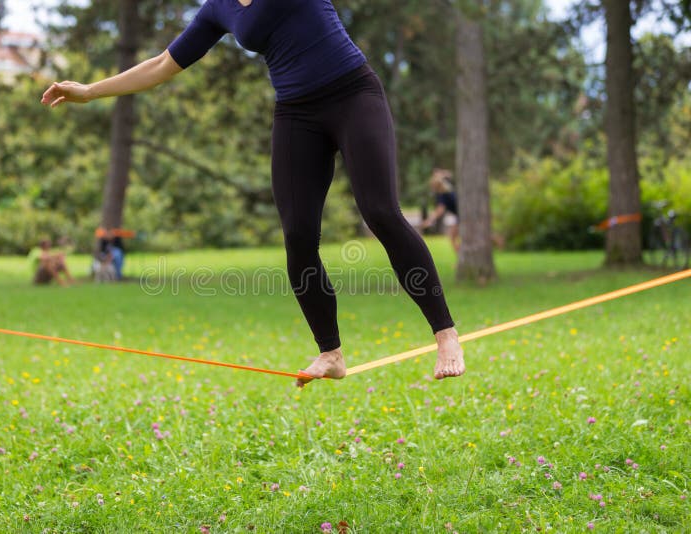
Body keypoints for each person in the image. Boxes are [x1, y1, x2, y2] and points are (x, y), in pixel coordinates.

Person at [40, 0, 465, 385]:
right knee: (298, 235)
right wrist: (91, 91)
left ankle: (445, 336)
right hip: (296, 113)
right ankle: (330, 353)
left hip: (353, 94)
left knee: (381, 212)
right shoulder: (218, 9)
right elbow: (163, 64)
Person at [422, 169, 460, 253]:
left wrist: (429, 220)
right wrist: (441, 174)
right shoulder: (448, 190)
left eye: (432, 185)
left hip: (463, 217)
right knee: (453, 237)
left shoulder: (443, 194)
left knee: (453, 238)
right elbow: (449, 174)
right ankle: (462, 259)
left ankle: (462, 259)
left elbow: (440, 210)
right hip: (461, 216)